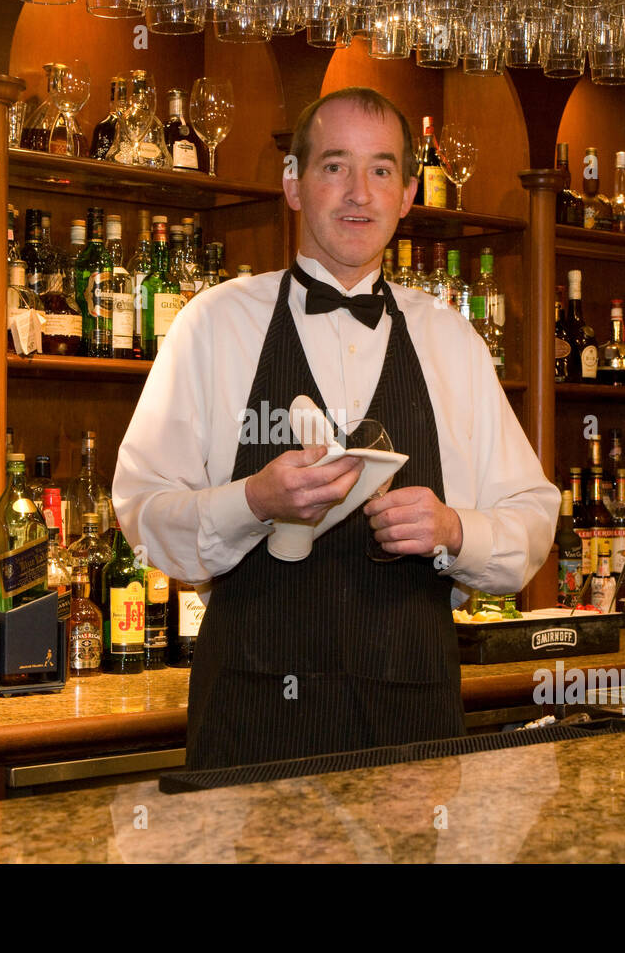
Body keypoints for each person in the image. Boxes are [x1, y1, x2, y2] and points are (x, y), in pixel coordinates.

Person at [113, 87, 560, 771]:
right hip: (254, 722)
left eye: (382, 170)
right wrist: (253, 502)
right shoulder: (213, 324)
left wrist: (452, 531)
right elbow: (143, 513)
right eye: (334, 166)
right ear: (292, 184)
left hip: (414, 725)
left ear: (409, 192)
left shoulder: (452, 341)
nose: (360, 192)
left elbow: (532, 517)